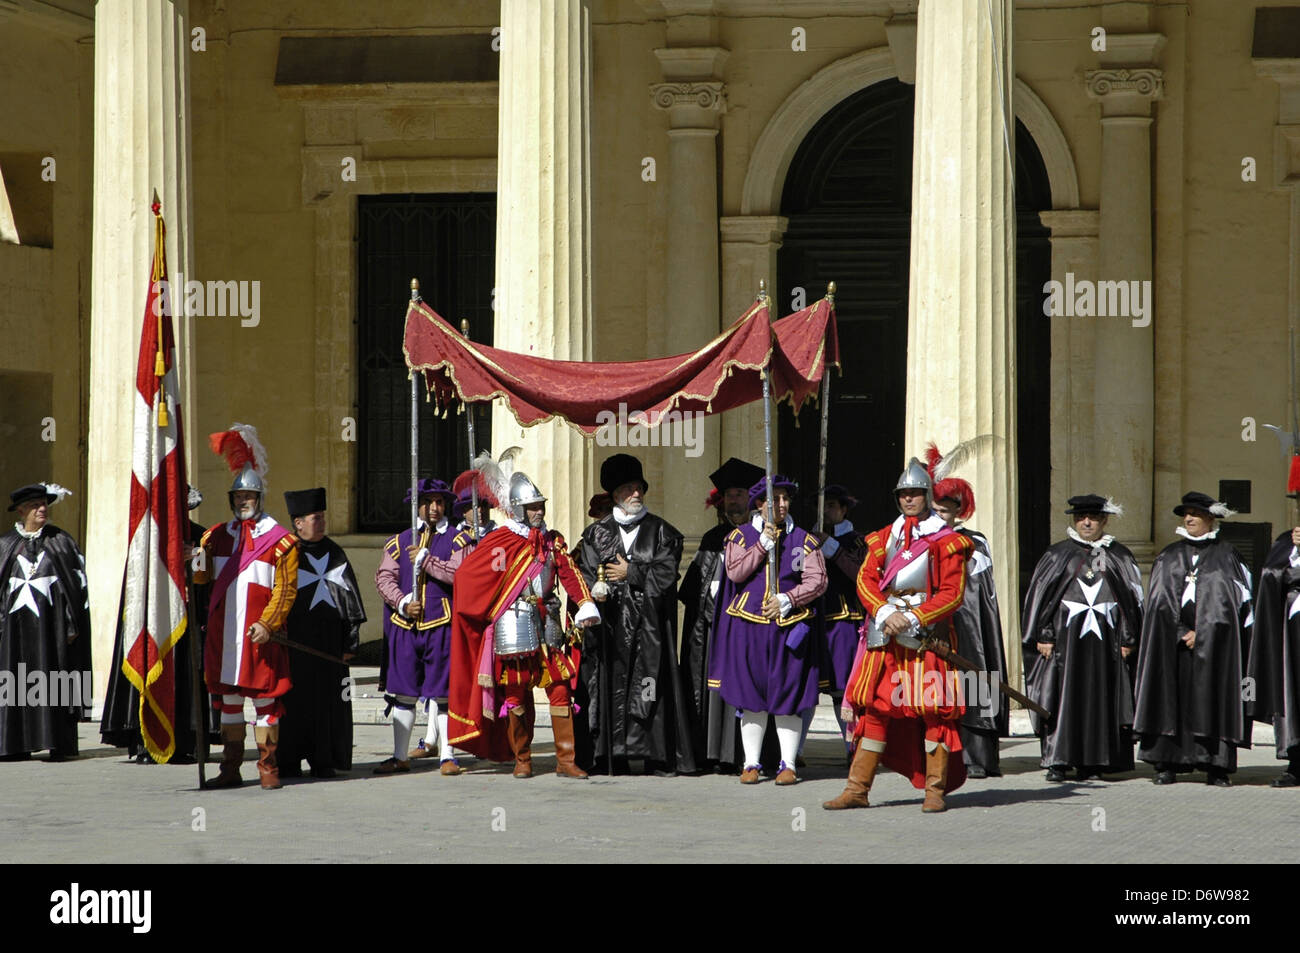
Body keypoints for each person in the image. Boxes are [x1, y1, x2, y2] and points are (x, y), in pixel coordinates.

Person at [823, 457, 972, 813]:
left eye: (915, 494)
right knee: (875, 710)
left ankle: (934, 791)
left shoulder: (948, 542)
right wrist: (886, 612)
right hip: (885, 636)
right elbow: (865, 580)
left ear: (926, 495)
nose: (908, 500)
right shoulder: (881, 539)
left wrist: (915, 617)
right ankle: (857, 789)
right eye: (903, 494)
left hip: (927, 639)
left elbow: (952, 594)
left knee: (935, 711)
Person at [447, 460, 600, 778]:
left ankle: (566, 760)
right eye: (532, 507)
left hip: (548, 624)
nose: (539, 512)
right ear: (517, 510)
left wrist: (584, 602)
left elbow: (568, 573)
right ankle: (523, 759)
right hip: (513, 625)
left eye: (540, 506)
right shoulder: (500, 541)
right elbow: (469, 577)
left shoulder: (551, 541)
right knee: (515, 694)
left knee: (559, 690)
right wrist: (490, 605)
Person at [577, 454, 695, 775]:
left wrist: (633, 572)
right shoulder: (595, 535)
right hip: (610, 628)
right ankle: (607, 754)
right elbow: (585, 572)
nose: (636, 494)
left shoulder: (663, 533)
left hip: (649, 630)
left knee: (648, 686)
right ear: (615, 494)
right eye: (628, 489)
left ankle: (653, 753)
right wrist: (596, 588)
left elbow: (668, 574)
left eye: (639, 488)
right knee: (608, 685)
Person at [196, 425, 297, 790]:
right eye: (238, 497)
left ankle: (268, 767)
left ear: (259, 497)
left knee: (267, 705)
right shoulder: (216, 537)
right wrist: (192, 556)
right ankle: (231, 766)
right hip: (225, 639)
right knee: (230, 702)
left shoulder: (281, 541)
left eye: (249, 497)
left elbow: (285, 592)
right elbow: (200, 581)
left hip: (259, 637)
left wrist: (268, 624)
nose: (243, 502)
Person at [709, 475, 826, 785]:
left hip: (789, 627)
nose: (782, 505)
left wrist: (789, 598)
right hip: (748, 626)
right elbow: (736, 572)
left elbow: (817, 581)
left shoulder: (804, 540)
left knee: (788, 697)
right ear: (760, 505)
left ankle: (788, 764)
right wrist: (762, 546)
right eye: (775, 500)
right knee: (751, 698)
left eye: (786, 499)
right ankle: (751, 763)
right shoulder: (740, 537)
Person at [1020, 494, 1143, 781]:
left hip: (1107, 648)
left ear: (1104, 521)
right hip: (1064, 645)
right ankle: (1058, 761)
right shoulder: (1057, 554)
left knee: (1102, 697)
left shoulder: (1119, 555)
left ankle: (1096, 762)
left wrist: (1128, 638)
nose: (1086, 522)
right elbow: (1041, 600)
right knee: (1062, 698)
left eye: (1093, 518)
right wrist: (1043, 635)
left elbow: (1132, 602)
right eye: (1081, 517)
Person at [1134, 491, 1254, 786]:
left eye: (1195, 514)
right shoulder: (1169, 555)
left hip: (1216, 647)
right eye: (1186, 514)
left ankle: (1215, 765)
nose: (1188, 519)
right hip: (1173, 646)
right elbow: (1158, 604)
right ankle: (1168, 763)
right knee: (1171, 699)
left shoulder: (1227, 555)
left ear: (1211, 519)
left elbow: (1237, 604)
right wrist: (1181, 632)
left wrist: (1204, 633)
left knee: (1212, 699)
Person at [101, 484, 212, 764]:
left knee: (185, 680)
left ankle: (185, 742)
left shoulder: (199, 536)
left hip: (186, 624)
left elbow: (206, 581)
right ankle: (143, 742)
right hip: (149, 623)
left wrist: (195, 558)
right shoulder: (144, 538)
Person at [374, 478, 472, 776]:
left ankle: (447, 755)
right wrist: (403, 602)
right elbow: (383, 579)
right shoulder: (400, 540)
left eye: (439, 502)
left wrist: (427, 560)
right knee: (403, 693)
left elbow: (460, 575)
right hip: (405, 626)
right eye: (428, 502)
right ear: (417, 505)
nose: (434, 508)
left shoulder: (458, 539)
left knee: (443, 694)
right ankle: (399, 755)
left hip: (442, 626)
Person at [925, 448, 1010, 778]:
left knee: (975, 686)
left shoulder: (975, 543)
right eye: (937, 510)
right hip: (934, 627)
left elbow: (979, 596)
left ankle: (978, 758)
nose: (942, 515)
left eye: (948, 510)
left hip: (970, 628)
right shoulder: (921, 543)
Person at [679, 457, 763, 772]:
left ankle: (747, 756)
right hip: (715, 630)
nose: (734, 501)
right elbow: (694, 590)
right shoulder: (712, 539)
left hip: (750, 628)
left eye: (740, 493)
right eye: (729, 495)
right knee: (713, 692)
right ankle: (712, 753)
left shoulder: (764, 539)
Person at [277, 487, 365, 779]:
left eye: (323, 517)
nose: (322, 522)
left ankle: (323, 759)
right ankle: (288, 759)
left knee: (328, 704)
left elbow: (350, 597)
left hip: (329, 645)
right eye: (316, 517)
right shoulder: (287, 552)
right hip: (295, 645)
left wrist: (350, 640)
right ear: (298, 522)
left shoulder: (334, 552)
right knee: (293, 703)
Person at [0, 483, 91, 762]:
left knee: (55, 678)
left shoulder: (61, 542)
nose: (42, 509)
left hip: (53, 629)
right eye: (36, 505)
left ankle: (58, 742)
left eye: (44, 504)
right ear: (21, 510)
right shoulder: (5, 546)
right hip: (13, 631)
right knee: (14, 679)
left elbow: (78, 586)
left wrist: (72, 624)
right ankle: (14, 744)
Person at [811, 483, 866, 761]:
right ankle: (793, 752)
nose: (827, 511)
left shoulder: (857, 541)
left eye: (832, 506)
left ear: (844, 509)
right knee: (806, 688)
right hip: (813, 623)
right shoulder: (806, 539)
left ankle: (852, 748)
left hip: (843, 623)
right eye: (823, 506)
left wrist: (831, 548)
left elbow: (860, 576)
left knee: (843, 690)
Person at [1247, 523, 1300, 786]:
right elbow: (1271, 576)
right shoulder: (1285, 542)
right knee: (1294, 694)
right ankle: (1297, 761)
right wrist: (1296, 554)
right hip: (1293, 630)